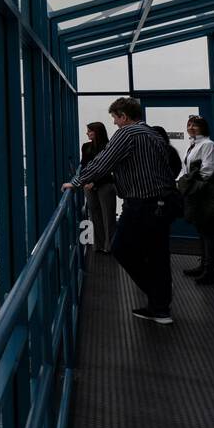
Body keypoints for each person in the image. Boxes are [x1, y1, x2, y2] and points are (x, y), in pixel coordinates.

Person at [63, 97, 181, 325]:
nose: (115, 124)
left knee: (121, 249)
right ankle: (160, 309)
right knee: (158, 255)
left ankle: (158, 295)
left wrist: (76, 182)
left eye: (115, 119)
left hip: (141, 204)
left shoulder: (127, 134)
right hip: (165, 202)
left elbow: (102, 162)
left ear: (123, 117)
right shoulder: (152, 134)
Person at [178, 115, 214, 286]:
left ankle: (209, 272)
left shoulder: (208, 145)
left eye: (195, 125)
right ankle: (203, 266)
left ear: (203, 127)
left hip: (204, 193)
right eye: (189, 124)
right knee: (201, 230)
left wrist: (188, 184)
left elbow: (207, 170)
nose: (191, 127)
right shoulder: (194, 145)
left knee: (209, 232)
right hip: (196, 192)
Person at [80, 122, 117, 254]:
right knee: (95, 215)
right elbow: (84, 165)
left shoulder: (107, 147)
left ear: (97, 132)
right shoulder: (86, 147)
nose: (87, 133)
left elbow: (107, 168)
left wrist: (93, 182)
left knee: (108, 216)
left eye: (90, 131)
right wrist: (86, 181)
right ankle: (99, 245)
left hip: (104, 184)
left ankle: (110, 246)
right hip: (90, 185)